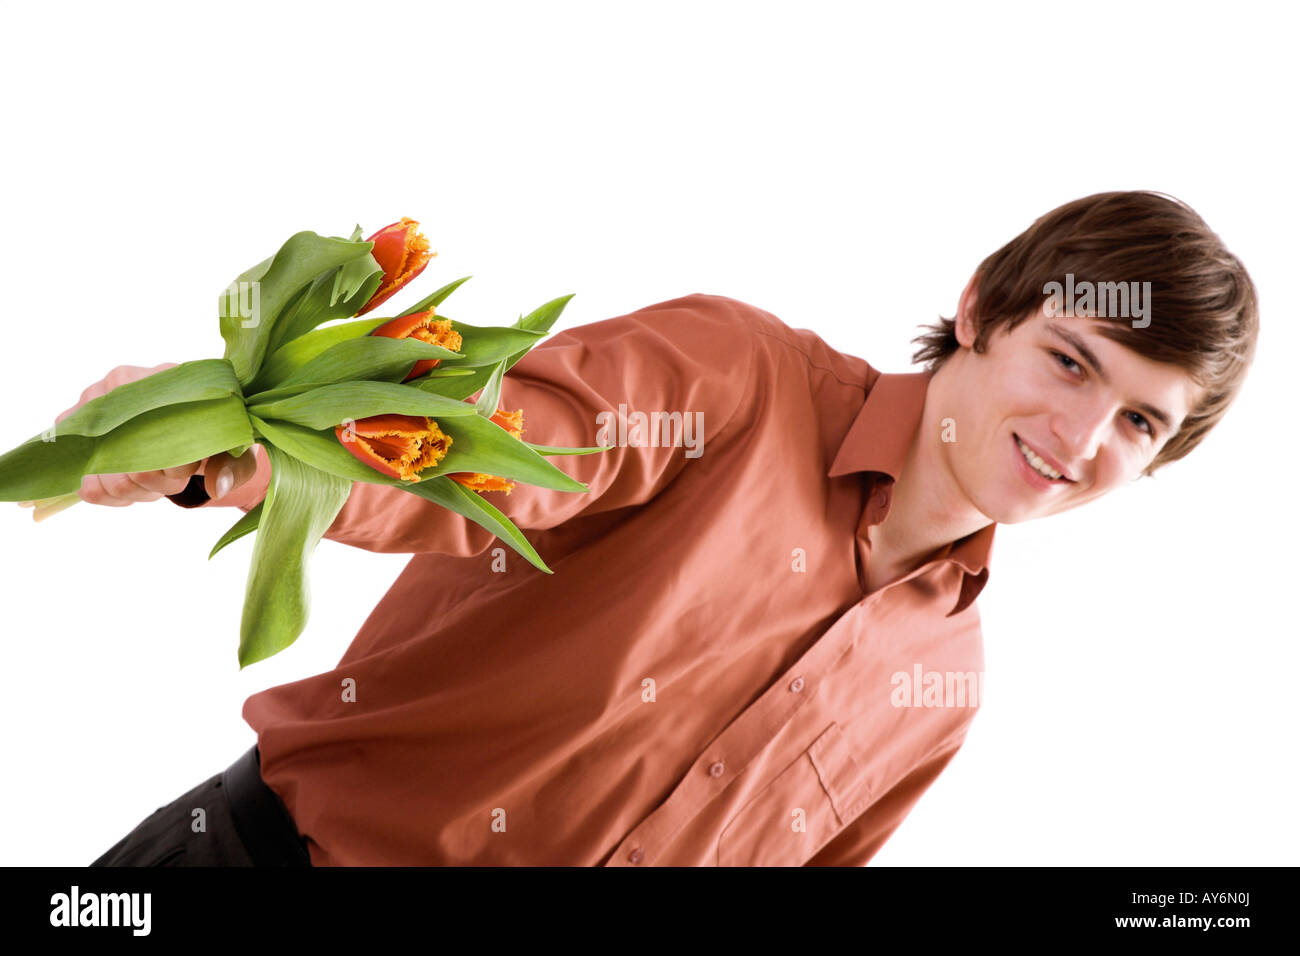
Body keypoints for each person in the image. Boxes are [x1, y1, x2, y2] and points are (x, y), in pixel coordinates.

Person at [86, 190, 1258, 866]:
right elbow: (504, 453)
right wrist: (244, 454)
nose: (1078, 431)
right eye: (1067, 359)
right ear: (978, 310)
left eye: (1138, 423)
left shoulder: (942, 684)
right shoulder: (738, 380)